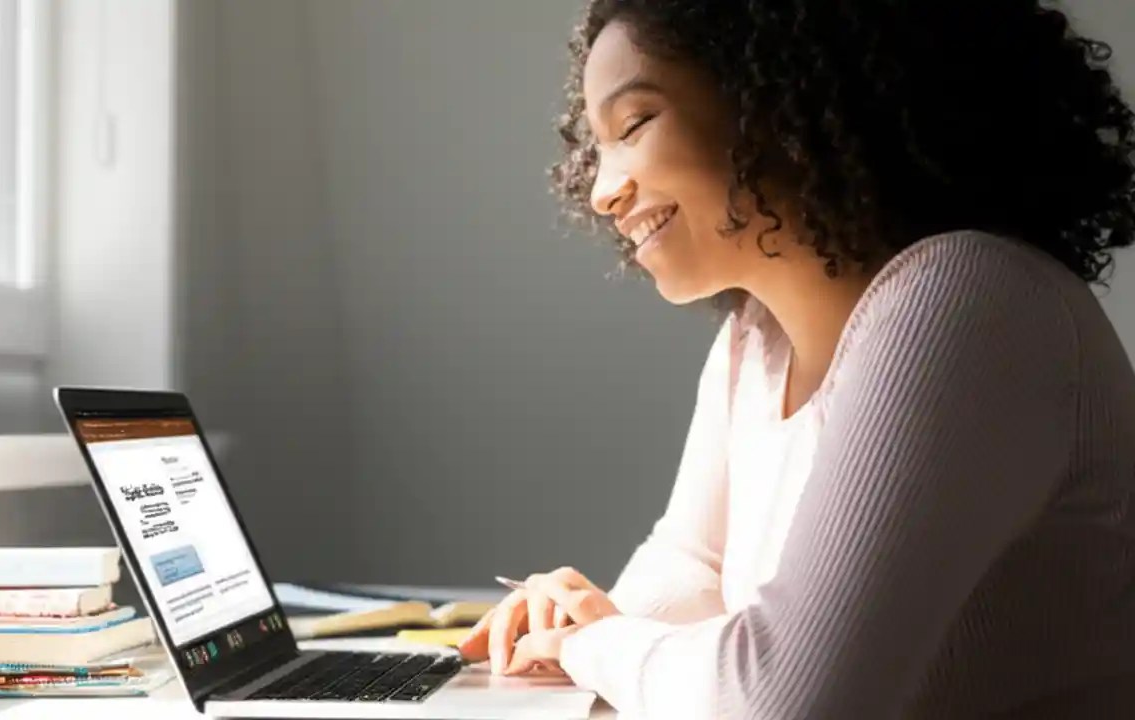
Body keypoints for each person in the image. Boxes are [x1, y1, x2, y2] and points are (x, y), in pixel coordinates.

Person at [455, 1, 1135, 717]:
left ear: (775, 101)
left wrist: (597, 647)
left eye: (633, 126)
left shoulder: (970, 297)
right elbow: (696, 565)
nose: (601, 191)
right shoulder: (756, 339)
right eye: (597, 149)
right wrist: (571, 622)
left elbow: (785, 699)